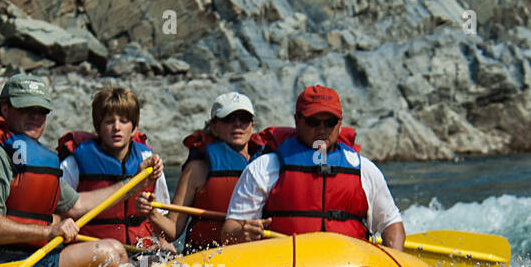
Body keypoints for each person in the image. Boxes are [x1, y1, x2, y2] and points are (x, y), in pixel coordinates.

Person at [0, 74, 161, 267]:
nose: (36, 116)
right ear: (5, 109)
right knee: (110, 254)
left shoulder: (37, 160)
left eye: (41, 111)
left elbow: (77, 205)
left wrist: (133, 183)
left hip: (25, 261)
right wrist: (49, 232)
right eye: (26, 109)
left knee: (112, 252)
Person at [222, 85, 405, 250]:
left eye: (330, 122)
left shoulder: (363, 169)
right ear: (297, 121)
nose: (322, 129)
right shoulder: (264, 167)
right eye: (313, 122)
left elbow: (392, 224)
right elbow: (228, 232)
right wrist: (240, 233)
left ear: (340, 123)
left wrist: (395, 262)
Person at [57, 86, 174, 251]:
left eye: (124, 121)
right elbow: (58, 213)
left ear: (134, 128)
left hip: (140, 252)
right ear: (98, 127)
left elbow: (163, 224)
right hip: (95, 256)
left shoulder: (148, 161)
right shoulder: (74, 162)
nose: (116, 127)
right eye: (109, 121)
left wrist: (163, 243)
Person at [162, 91, 264, 252]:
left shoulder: (266, 165)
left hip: (255, 258)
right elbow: (171, 231)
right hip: (208, 258)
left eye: (244, 119)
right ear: (214, 127)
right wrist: (151, 213)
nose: (237, 124)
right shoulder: (197, 170)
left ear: (252, 125)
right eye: (229, 119)